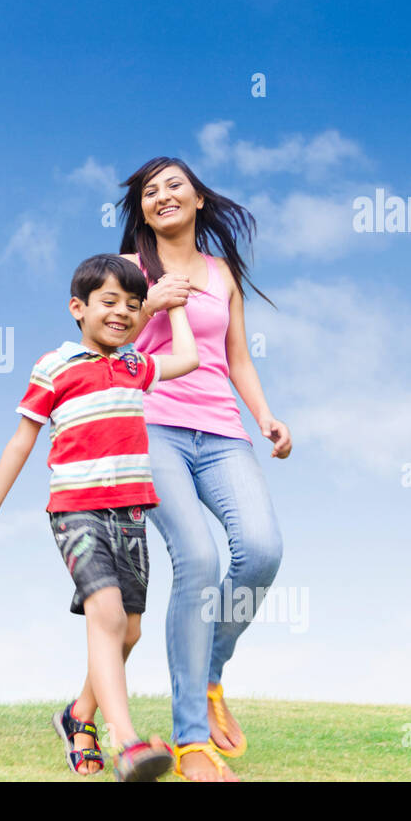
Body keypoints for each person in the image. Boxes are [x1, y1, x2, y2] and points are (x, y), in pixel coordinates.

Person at [0, 254, 200, 781]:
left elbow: (189, 357)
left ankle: (78, 717)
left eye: (134, 307)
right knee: (107, 618)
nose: (122, 313)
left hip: (132, 514)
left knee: (128, 632)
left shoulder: (137, 366)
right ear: (78, 307)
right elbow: (22, 441)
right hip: (76, 511)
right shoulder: (56, 365)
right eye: (109, 302)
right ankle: (128, 743)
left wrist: (173, 304)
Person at [118, 156, 291, 782]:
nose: (162, 195)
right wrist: (148, 307)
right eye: (149, 191)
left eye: (175, 186)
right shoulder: (130, 272)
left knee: (263, 551)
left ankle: (210, 669)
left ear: (197, 201)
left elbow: (236, 356)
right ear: (142, 209)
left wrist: (266, 416)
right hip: (154, 425)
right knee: (197, 560)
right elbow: (107, 348)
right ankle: (191, 738)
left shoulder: (222, 275)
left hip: (222, 432)